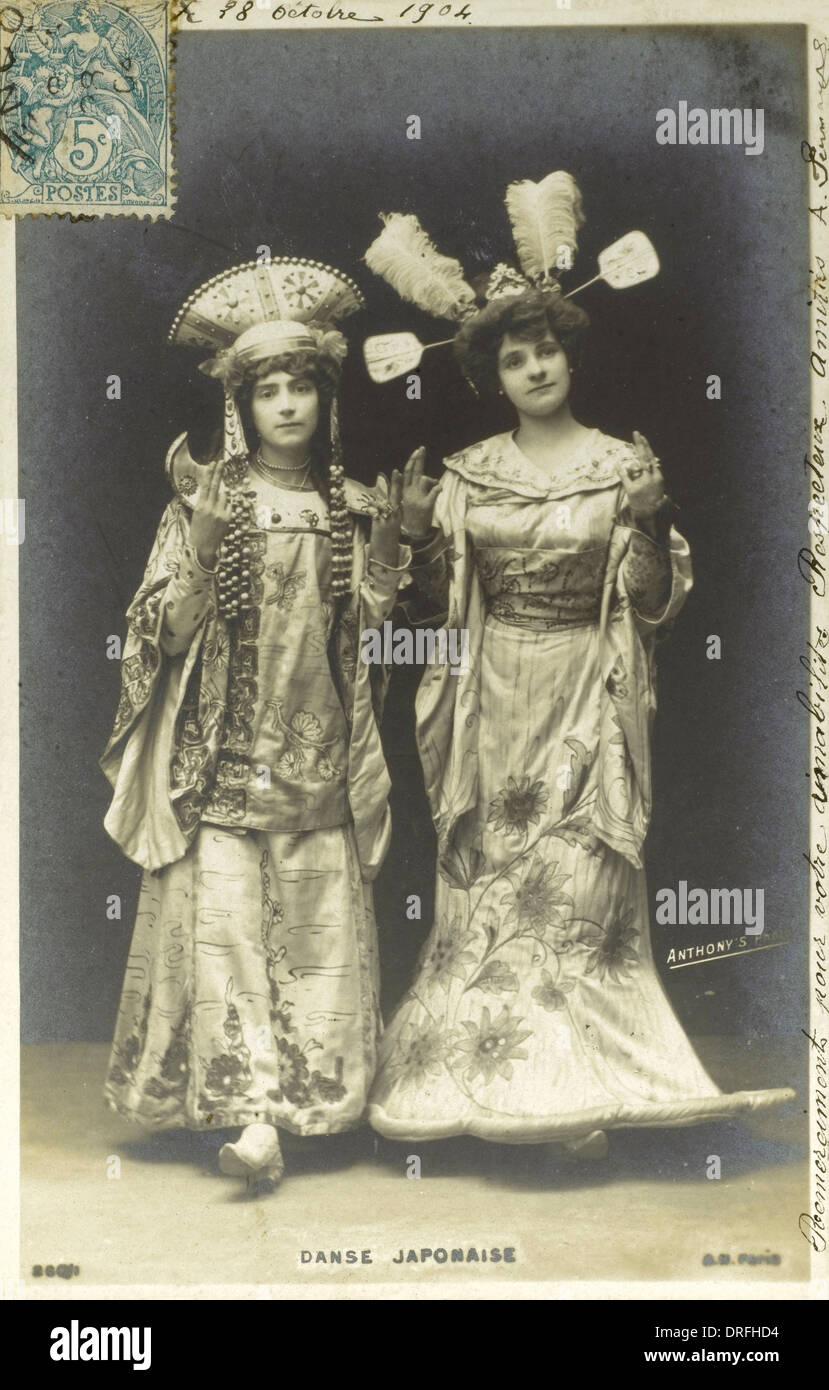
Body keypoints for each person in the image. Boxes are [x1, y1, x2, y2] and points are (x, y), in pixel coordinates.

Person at [363, 180, 794, 1148]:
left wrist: (645, 519)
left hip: (588, 698)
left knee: (580, 887)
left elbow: (650, 607)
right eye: (513, 357)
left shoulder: (618, 464)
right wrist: (409, 533)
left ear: (570, 352)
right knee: (492, 888)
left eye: (545, 347)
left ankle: (579, 1090)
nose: (533, 366)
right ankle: (495, 1078)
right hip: (494, 698)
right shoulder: (469, 473)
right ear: (491, 376)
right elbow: (432, 603)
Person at [100, 258, 408, 1188]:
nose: (286, 406)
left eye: (301, 387)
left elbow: (373, 644)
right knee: (226, 934)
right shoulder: (207, 505)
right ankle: (253, 1118)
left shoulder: (350, 508)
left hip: (319, 763)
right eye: (267, 390)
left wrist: (389, 559)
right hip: (222, 762)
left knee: (313, 932)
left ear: (325, 400)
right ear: (240, 405)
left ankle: (319, 1104)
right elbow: (162, 632)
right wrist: (198, 544)